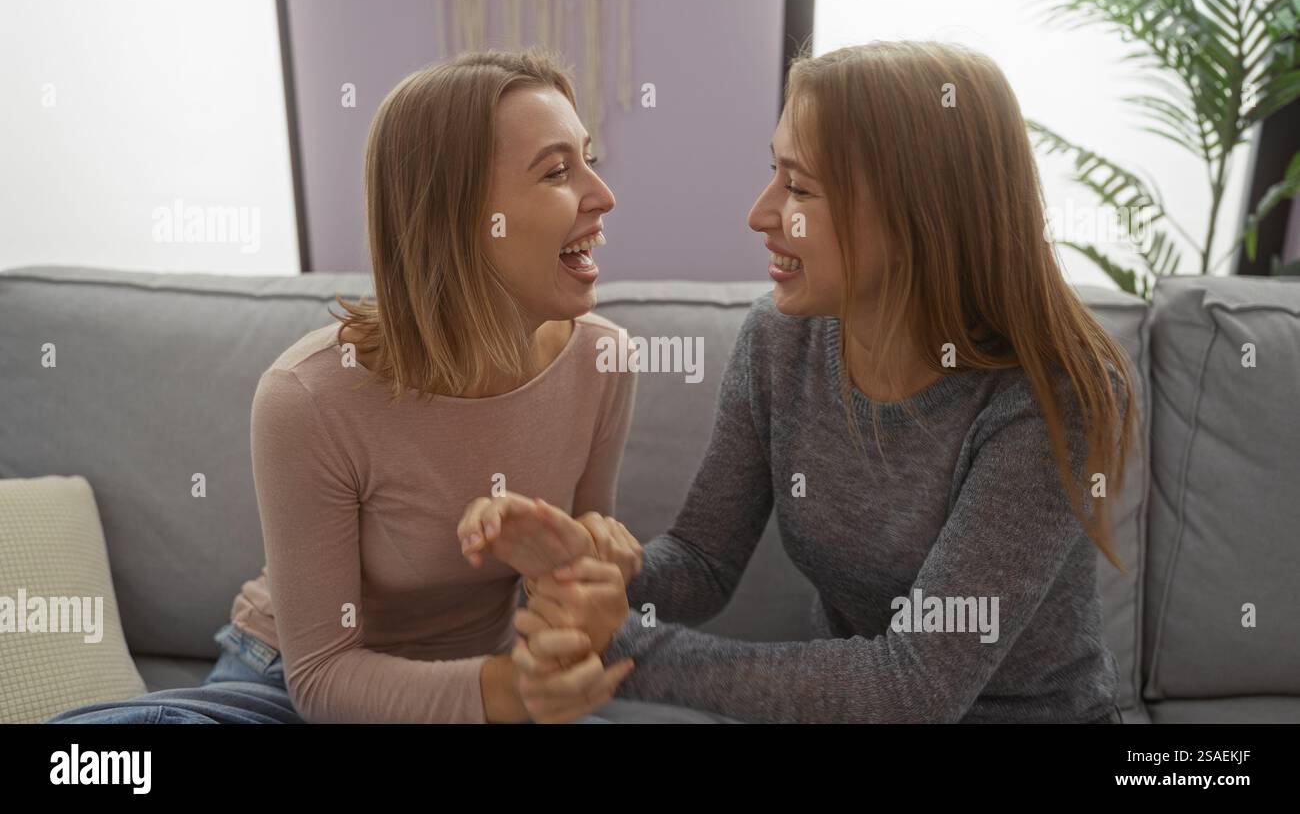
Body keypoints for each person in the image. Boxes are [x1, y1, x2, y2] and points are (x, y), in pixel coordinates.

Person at [484, 41, 1136, 724]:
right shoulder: (780, 340)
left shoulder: (1045, 398)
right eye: (775, 174)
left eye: (798, 187)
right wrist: (593, 573)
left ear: (917, 213)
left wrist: (617, 646)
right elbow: (704, 561)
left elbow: (908, 688)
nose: (760, 213)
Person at [48, 48, 647, 725]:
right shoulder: (309, 397)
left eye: (588, 160)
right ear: (456, 216)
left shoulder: (604, 361)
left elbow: (561, 605)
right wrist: (506, 692)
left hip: (475, 691)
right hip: (290, 684)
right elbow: (323, 675)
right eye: (558, 171)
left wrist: (586, 588)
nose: (603, 196)